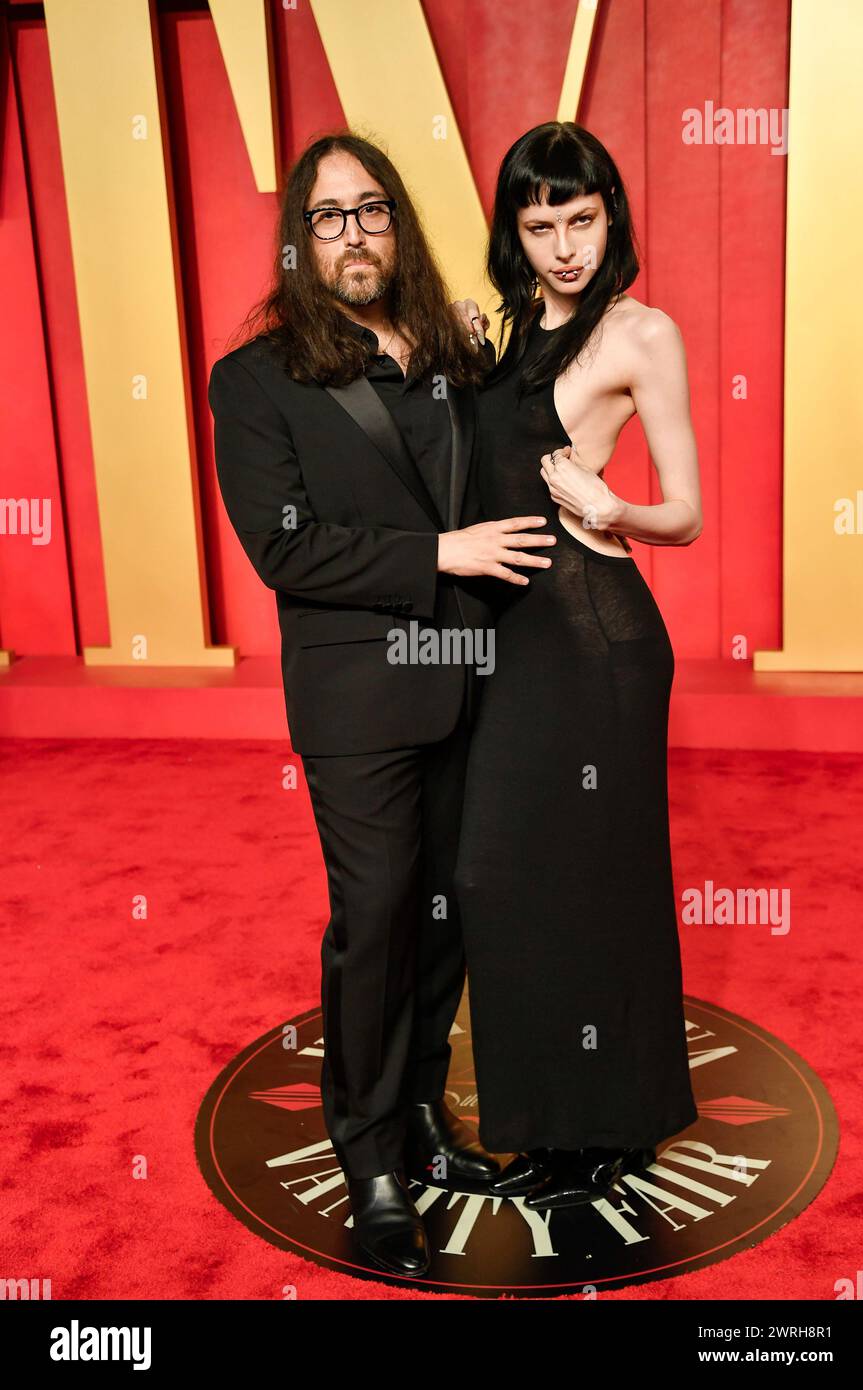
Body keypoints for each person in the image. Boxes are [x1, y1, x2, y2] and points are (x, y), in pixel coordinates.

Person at [207, 133, 556, 1275]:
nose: (354, 232)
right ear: (299, 243)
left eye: (371, 210)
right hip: (358, 695)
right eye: (328, 215)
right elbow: (282, 546)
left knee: (450, 910)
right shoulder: (255, 378)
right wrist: (439, 549)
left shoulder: (450, 347)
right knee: (380, 913)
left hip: (469, 672)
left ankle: (417, 1114)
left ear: (396, 224)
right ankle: (365, 1151)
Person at [450, 122, 702, 1209]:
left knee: (600, 884)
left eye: (582, 220)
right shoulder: (505, 339)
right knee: (499, 877)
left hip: (600, 640)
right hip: (516, 645)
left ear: (612, 215)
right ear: (514, 229)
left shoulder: (642, 334)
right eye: (541, 224)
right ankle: (547, 1121)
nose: (563, 246)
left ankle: (613, 1126)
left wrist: (617, 506)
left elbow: (687, 513)